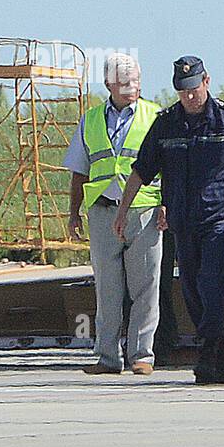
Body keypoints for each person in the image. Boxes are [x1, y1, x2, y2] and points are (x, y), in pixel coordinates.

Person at [116, 56, 224, 384]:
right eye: (183, 91)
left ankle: (209, 349)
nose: (190, 96)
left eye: (194, 88)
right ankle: (219, 354)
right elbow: (141, 170)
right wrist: (123, 211)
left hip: (220, 219)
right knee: (192, 291)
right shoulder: (167, 123)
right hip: (183, 223)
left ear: (206, 81)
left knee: (212, 284)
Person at [65, 53, 164, 377]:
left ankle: (141, 355)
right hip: (104, 212)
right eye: (124, 82)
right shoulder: (91, 120)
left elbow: (170, 168)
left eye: (135, 80)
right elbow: (79, 170)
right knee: (107, 288)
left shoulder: (155, 117)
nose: (131, 87)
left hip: (143, 212)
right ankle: (108, 356)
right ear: (109, 84)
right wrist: (74, 213)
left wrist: (166, 205)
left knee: (145, 287)